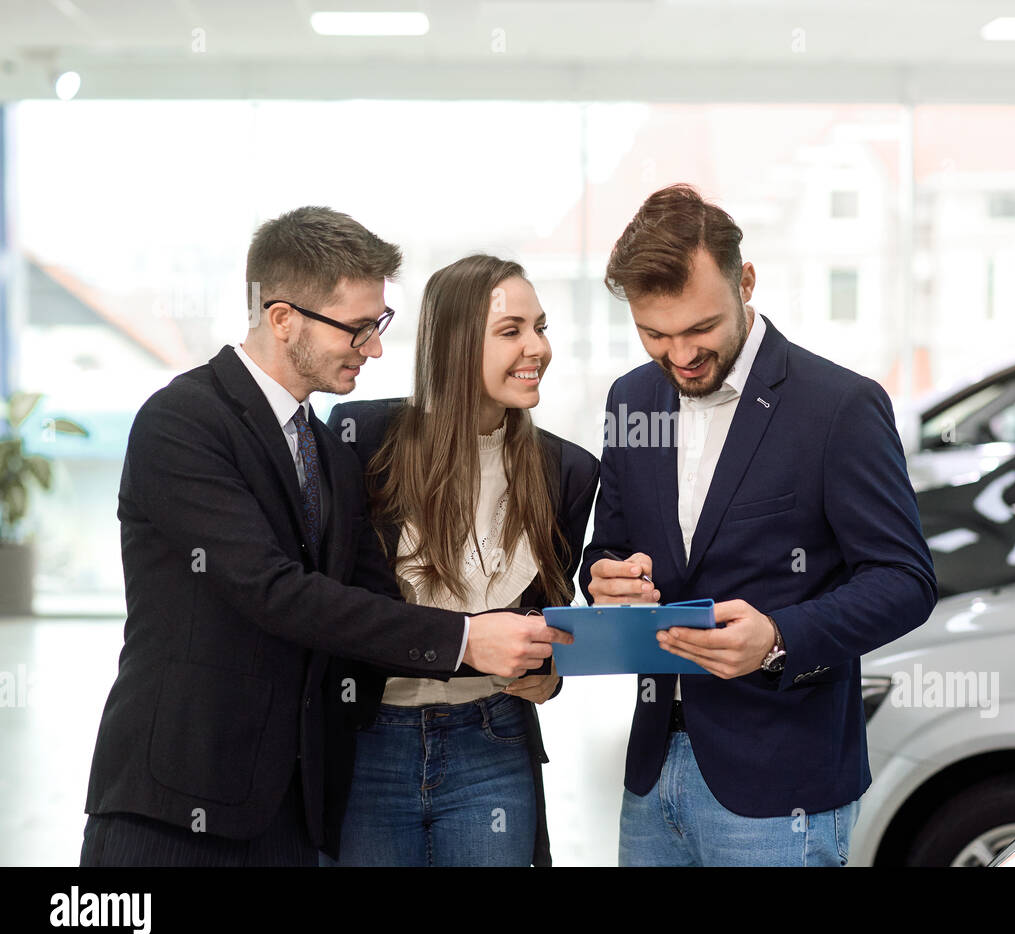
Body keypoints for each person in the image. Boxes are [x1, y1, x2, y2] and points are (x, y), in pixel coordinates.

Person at [80, 208, 567, 867]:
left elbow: (370, 601)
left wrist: (534, 656)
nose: (374, 348)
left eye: (380, 325)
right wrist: (465, 639)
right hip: (176, 802)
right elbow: (273, 590)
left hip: (293, 807)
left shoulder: (331, 451)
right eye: (359, 329)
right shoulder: (183, 422)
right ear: (283, 319)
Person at [581, 184, 938, 866]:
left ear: (746, 282)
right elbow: (610, 546)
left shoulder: (840, 406)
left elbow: (905, 581)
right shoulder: (632, 397)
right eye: (655, 334)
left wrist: (778, 638)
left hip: (784, 783)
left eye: (699, 329)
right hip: (651, 774)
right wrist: (607, 579)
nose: (680, 355)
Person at [324, 254, 598, 866]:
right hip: (371, 740)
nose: (537, 347)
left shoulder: (568, 473)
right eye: (511, 331)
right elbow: (333, 606)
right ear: (451, 347)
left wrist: (549, 675)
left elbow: (551, 626)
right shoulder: (360, 439)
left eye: (541, 327)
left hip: (493, 741)